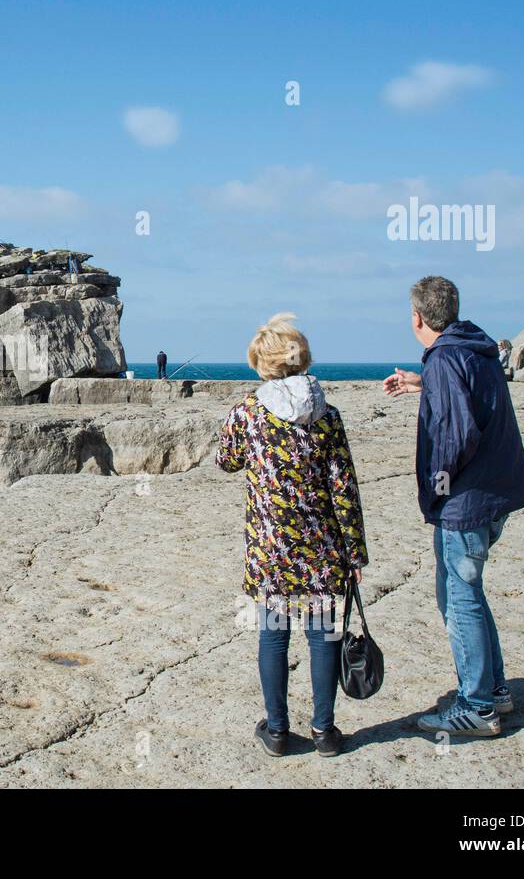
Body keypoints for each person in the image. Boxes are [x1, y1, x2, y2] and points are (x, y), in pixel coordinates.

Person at [383, 276, 524, 737]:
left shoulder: (447, 357)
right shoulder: (472, 348)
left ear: (416, 317)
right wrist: (423, 382)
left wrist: (436, 490)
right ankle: (495, 688)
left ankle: (476, 705)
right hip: (495, 494)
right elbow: (466, 393)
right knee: (471, 589)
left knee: (458, 596)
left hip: (466, 503)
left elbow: (457, 434)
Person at [217, 313, 368, 758]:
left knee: (274, 634)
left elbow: (226, 460)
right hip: (322, 546)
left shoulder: (248, 412)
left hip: (271, 548)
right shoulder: (328, 414)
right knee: (324, 635)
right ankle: (324, 731)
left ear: (263, 363)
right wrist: (355, 554)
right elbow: (344, 488)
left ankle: (278, 731)